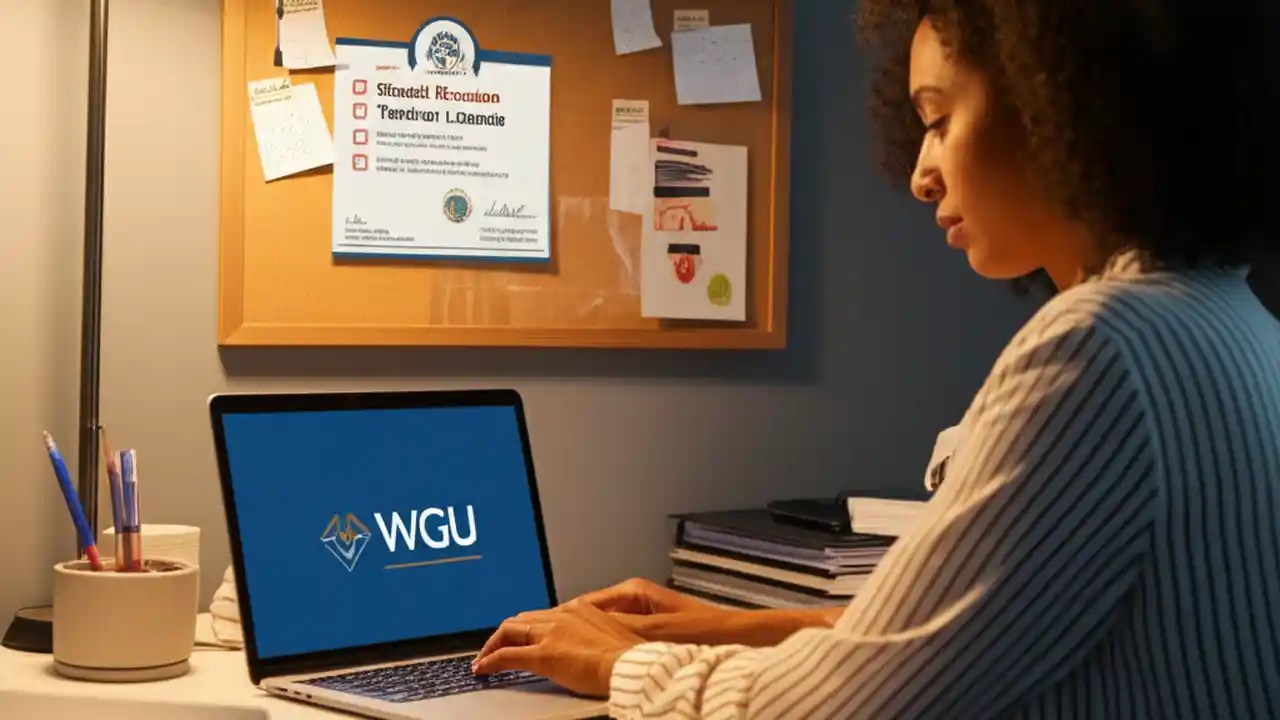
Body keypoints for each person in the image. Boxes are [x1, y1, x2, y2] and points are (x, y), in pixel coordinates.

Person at [473, 1, 1280, 716]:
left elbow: (854, 706)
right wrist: (722, 626)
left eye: (939, 120)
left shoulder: (1096, 348)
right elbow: (952, 636)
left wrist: (619, 665)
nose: (922, 176)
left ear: (1058, 101)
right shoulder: (1229, 321)